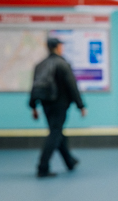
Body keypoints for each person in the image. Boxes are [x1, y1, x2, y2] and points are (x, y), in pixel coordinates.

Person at [29, 37, 86, 177]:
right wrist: (81, 106)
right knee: (55, 133)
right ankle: (43, 166)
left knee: (57, 132)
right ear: (58, 47)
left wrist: (33, 107)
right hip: (60, 104)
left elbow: (34, 87)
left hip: (45, 104)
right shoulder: (63, 64)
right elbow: (72, 86)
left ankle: (69, 161)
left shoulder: (40, 65)